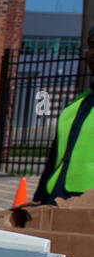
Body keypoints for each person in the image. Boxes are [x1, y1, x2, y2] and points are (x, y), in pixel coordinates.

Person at [34, 26, 94, 204]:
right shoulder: (73, 107)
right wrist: (39, 203)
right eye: (92, 45)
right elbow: (52, 164)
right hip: (57, 201)